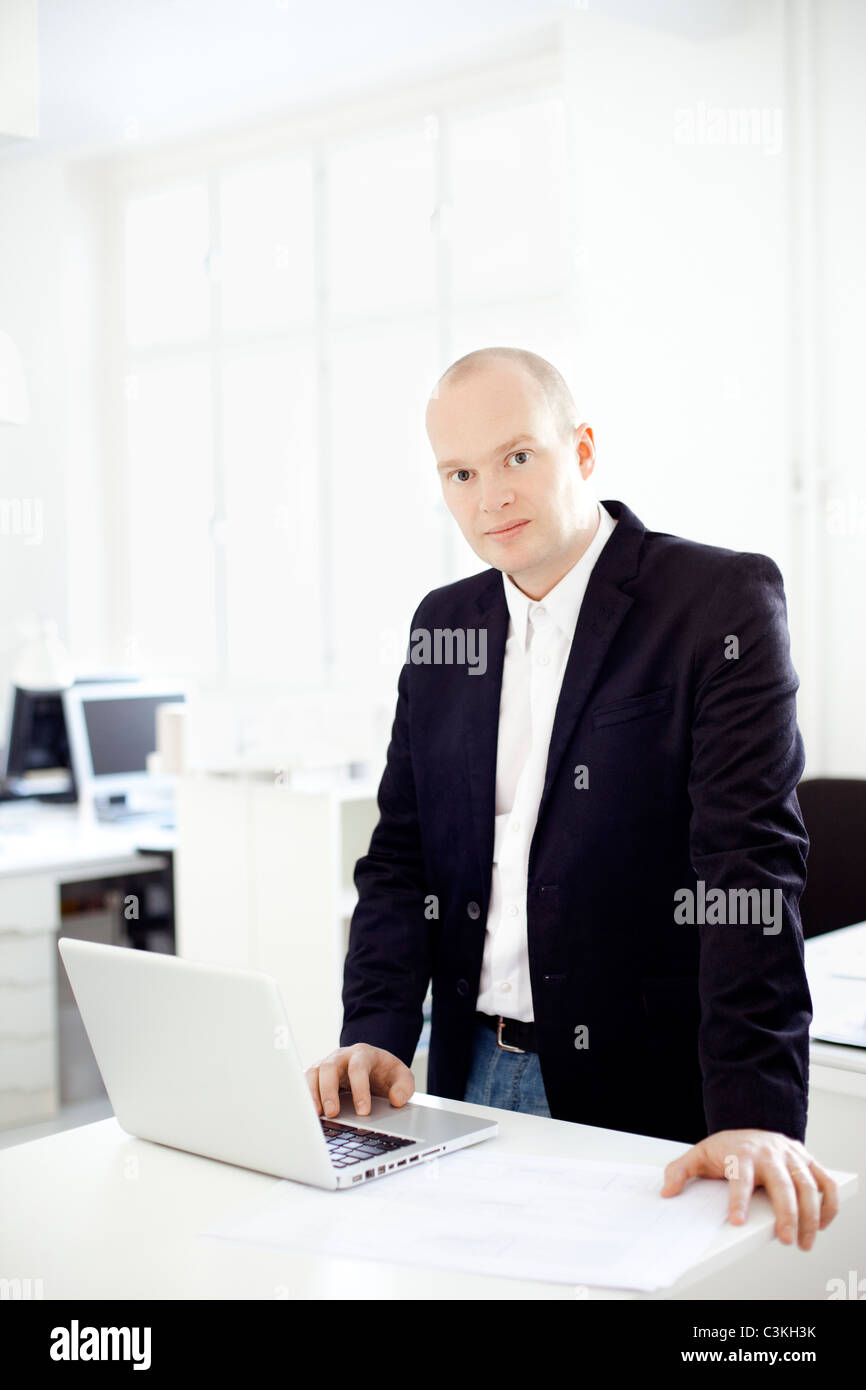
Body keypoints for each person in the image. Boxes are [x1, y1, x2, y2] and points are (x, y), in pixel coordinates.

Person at [306, 346, 839, 1251]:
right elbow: (401, 858)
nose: (490, 497)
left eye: (518, 457)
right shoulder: (447, 624)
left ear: (582, 450)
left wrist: (755, 1109)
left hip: (643, 1090)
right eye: (460, 473)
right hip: (461, 1072)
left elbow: (748, 871)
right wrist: (377, 1031)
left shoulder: (715, 604)